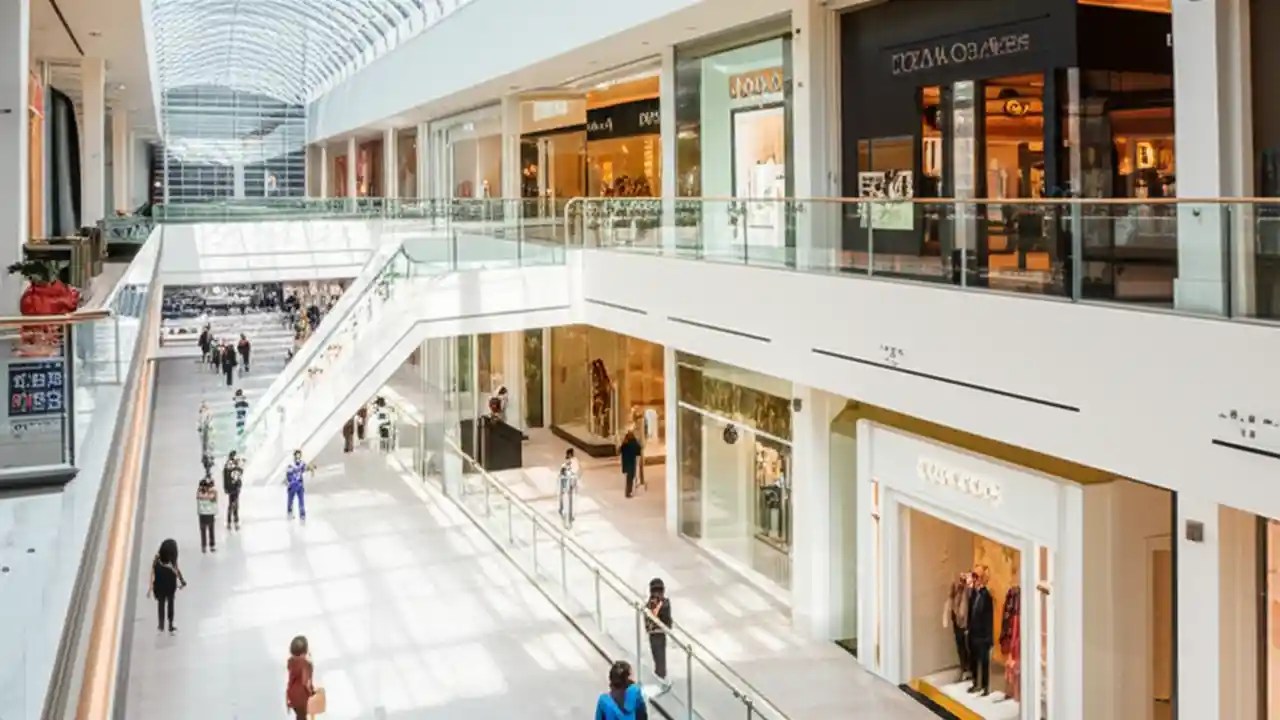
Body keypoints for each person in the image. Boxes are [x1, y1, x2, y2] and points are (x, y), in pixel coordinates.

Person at [146, 538, 186, 634]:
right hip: (170, 587)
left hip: (159, 587)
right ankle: (170, 624)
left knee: (161, 604)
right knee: (171, 604)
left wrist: (150, 588)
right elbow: (177, 571)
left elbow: (152, 574)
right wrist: (182, 581)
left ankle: (161, 625)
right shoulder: (172, 563)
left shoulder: (157, 560)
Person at [967, 565, 995, 696]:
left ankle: (985, 686)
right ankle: (975, 682)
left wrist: (989, 638)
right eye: (973, 576)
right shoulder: (973, 593)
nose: (974, 579)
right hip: (973, 633)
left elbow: (989, 618)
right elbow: (970, 612)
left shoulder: (986, 596)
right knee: (973, 659)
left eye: (976, 576)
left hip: (983, 635)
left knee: (984, 662)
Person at [645, 577, 673, 689]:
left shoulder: (650, 603)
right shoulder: (664, 603)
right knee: (660, 655)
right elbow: (667, 619)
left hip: (652, 632)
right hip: (660, 632)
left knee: (656, 654)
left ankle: (659, 675)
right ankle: (661, 677)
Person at [285, 635, 316, 720]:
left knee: (299, 715)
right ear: (305, 651)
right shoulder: (305, 665)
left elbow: (291, 679)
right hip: (301, 697)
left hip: (292, 694)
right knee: (302, 716)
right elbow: (305, 682)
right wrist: (312, 693)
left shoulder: (291, 662)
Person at [558, 448, 581, 529]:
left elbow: (575, 472)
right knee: (567, 502)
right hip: (567, 485)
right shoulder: (566, 463)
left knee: (570, 502)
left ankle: (570, 518)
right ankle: (566, 517)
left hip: (571, 485)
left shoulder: (574, 462)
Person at [197, 475, 219, 552]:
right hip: (209, 514)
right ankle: (211, 545)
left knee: (205, 531)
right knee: (210, 530)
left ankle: (204, 546)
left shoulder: (200, 494)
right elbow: (213, 497)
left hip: (203, 515)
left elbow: (201, 496)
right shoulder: (211, 494)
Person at [286, 449, 308, 522]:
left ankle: (302, 514)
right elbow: (288, 475)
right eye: (297, 455)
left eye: (299, 455)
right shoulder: (291, 465)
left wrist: (312, 468)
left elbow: (306, 468)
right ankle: (289, 512)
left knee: (301, 501)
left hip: (299, 485)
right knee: (290, 501)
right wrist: (290, 482)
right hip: (292, 485)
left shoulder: (302, 464)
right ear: (295, 456)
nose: (298, 456)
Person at [619, 430, 643, 499]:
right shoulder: (633, 443)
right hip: (631, 463)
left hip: (626, 463)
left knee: (629, 478)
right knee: (630, 478)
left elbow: (620, 451)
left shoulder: (625, 443)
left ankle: (628, 492)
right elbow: (638, 451)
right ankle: (628, 492)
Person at [223, 451, 243, 530]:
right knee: (233, 505)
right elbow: (238, 473)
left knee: (232, 505)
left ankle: (231, 522)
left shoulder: (229, 465)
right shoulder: (231, 465)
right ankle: (234, 522)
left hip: (233, 488)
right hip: (233, 488)